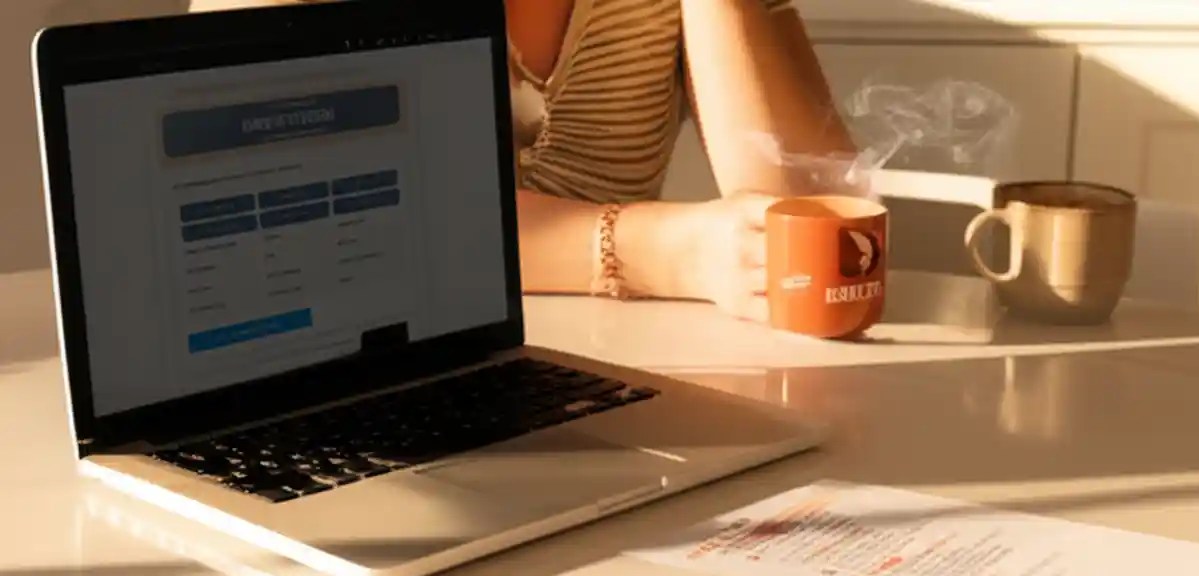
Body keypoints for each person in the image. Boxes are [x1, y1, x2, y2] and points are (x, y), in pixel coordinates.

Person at [189, 0, 857, 323]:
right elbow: (292, 219)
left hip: (611, 400)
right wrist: (666, 250)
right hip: (338, 393)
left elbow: (805, 234)